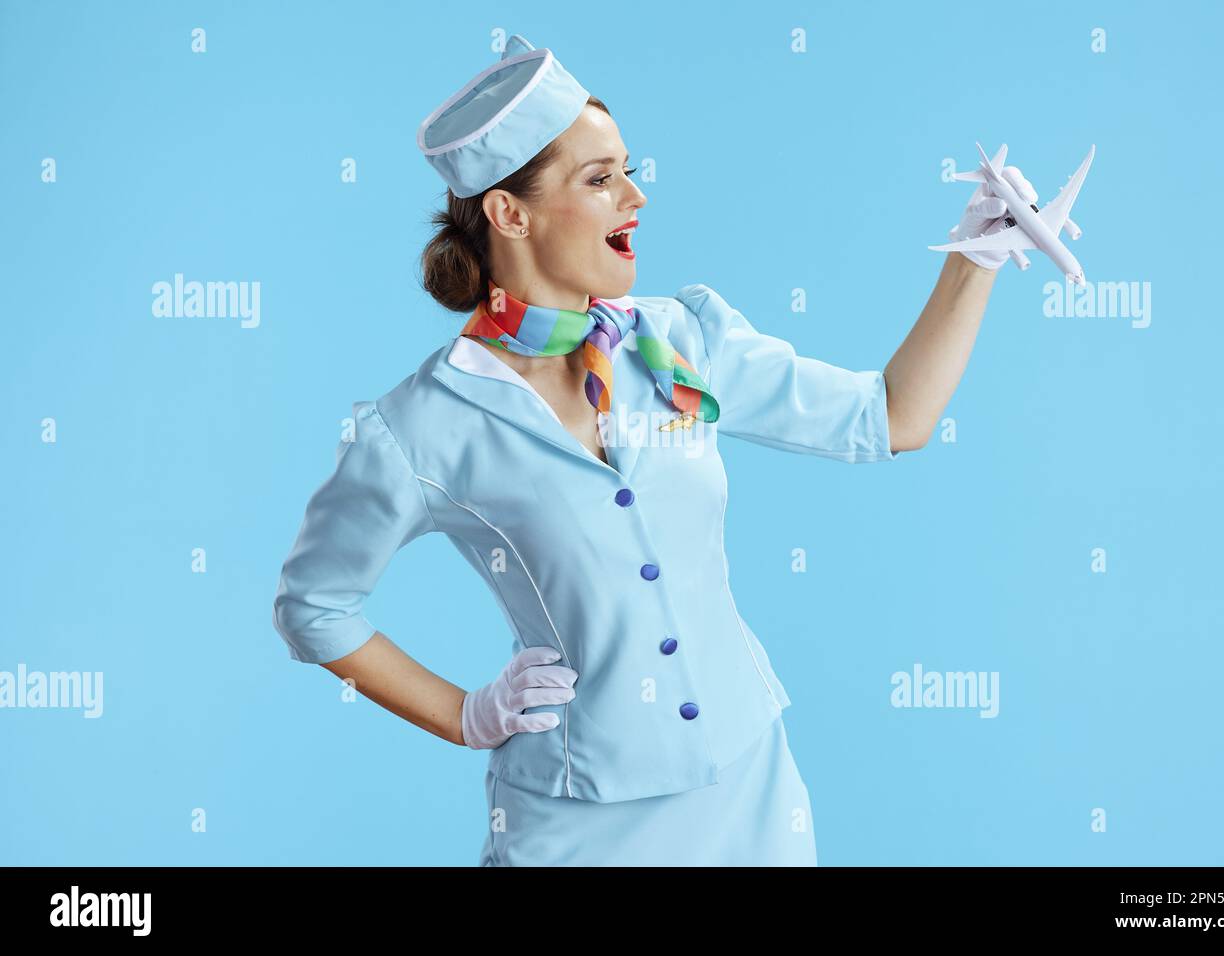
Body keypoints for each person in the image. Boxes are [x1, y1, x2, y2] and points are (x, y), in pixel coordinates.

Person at [271, 34, 1039, 866]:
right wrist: (466, 715)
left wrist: (977, 260)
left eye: (628, 169)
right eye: (600, 179)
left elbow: (891, 417)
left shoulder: (680, 339)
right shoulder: (421, 424)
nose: (635, 196)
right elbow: (312, 607)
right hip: (574, 819)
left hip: (750, 791)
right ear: (510, 213)